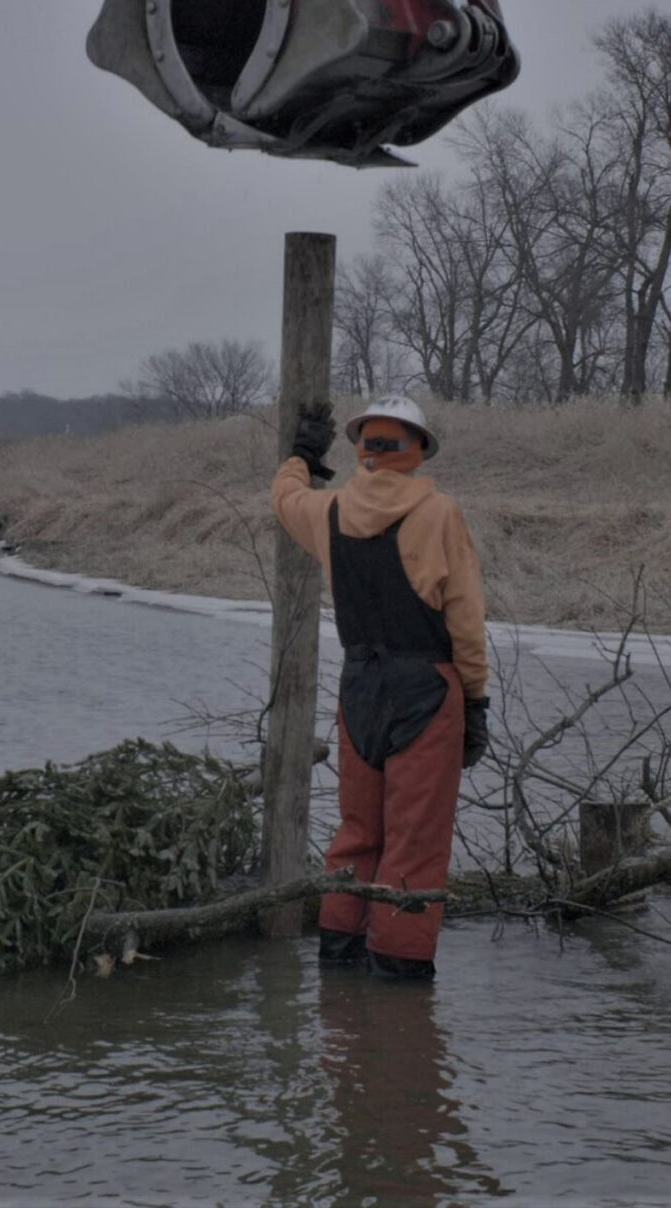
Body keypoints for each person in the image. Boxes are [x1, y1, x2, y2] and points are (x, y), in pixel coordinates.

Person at [270, 395, 489, 980]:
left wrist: (302, 456)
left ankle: (338, 965)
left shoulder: (329, 510)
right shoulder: (440, 513)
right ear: (416, 450)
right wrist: (475, 702)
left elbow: (285, 497)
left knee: (358, 833)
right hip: (426, 689)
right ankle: (398, 982)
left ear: (362, 448)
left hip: (359, 687)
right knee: (415, 843)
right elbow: (465, 619)